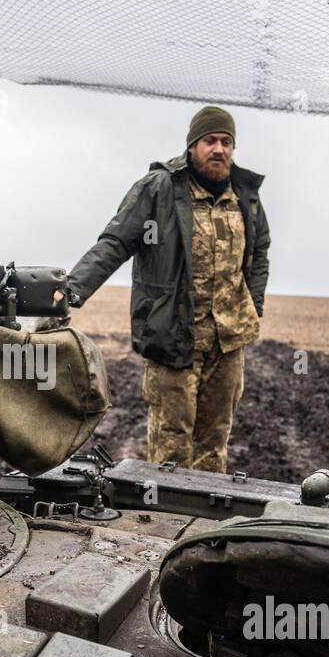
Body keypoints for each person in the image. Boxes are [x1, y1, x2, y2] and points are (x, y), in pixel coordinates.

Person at [66, 105, 270, 473]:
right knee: (171, 448)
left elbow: (259, 253)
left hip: (227, 344)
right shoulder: (159, 189)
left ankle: (207, 525)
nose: (219, 149)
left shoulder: (246, 197)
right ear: (192, 145)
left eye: (227, 142)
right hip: (174, 336)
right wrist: (72, 289)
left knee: (214, 444)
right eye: (210, 141)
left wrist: (253, 306)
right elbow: (115, 242)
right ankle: (165, 525)